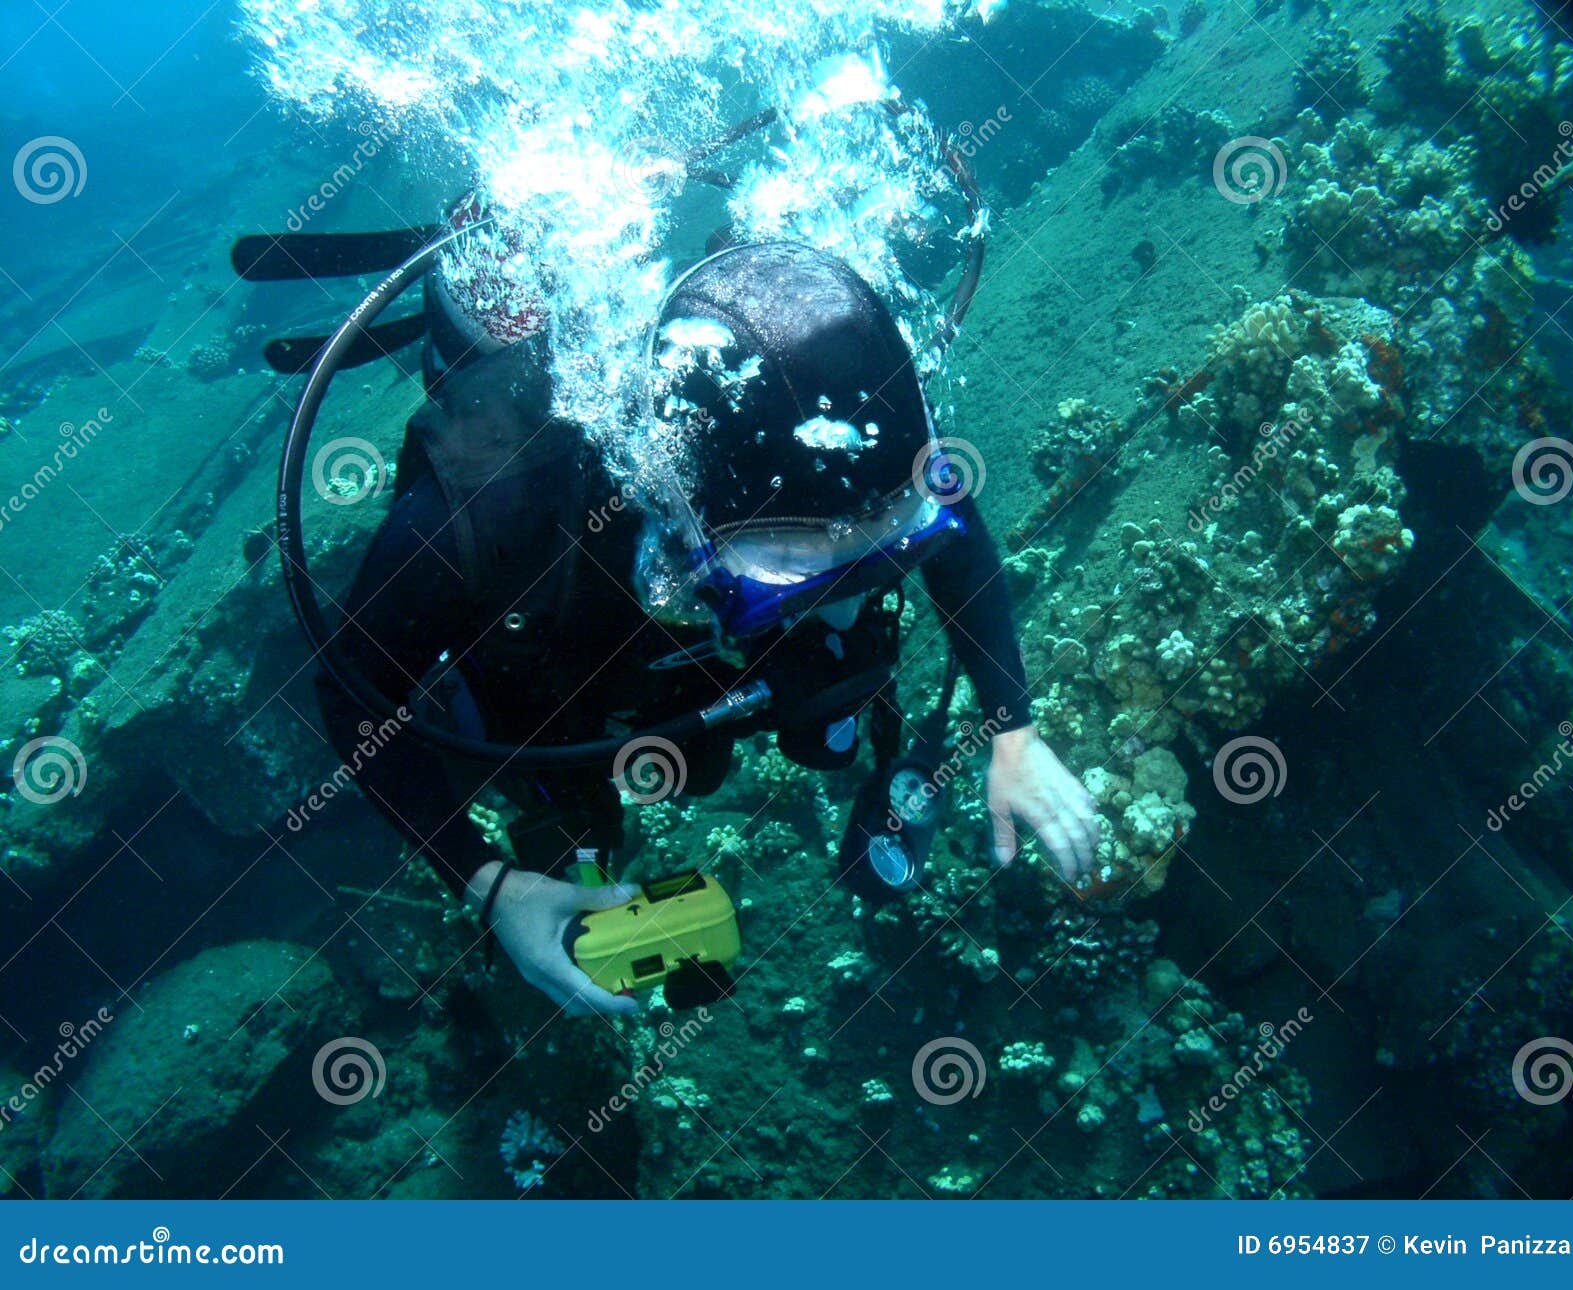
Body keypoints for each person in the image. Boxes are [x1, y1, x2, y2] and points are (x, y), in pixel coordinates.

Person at [316, 238, 1099, 1017]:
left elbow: (954, 526)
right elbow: (351, 696)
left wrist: (1012, 727)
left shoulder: (858, 412)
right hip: (562, 634)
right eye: (793, 574)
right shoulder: (491, 510)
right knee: (509, 734)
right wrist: (488, 883)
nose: (847, 610)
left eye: (888, 550)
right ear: (679, 498)